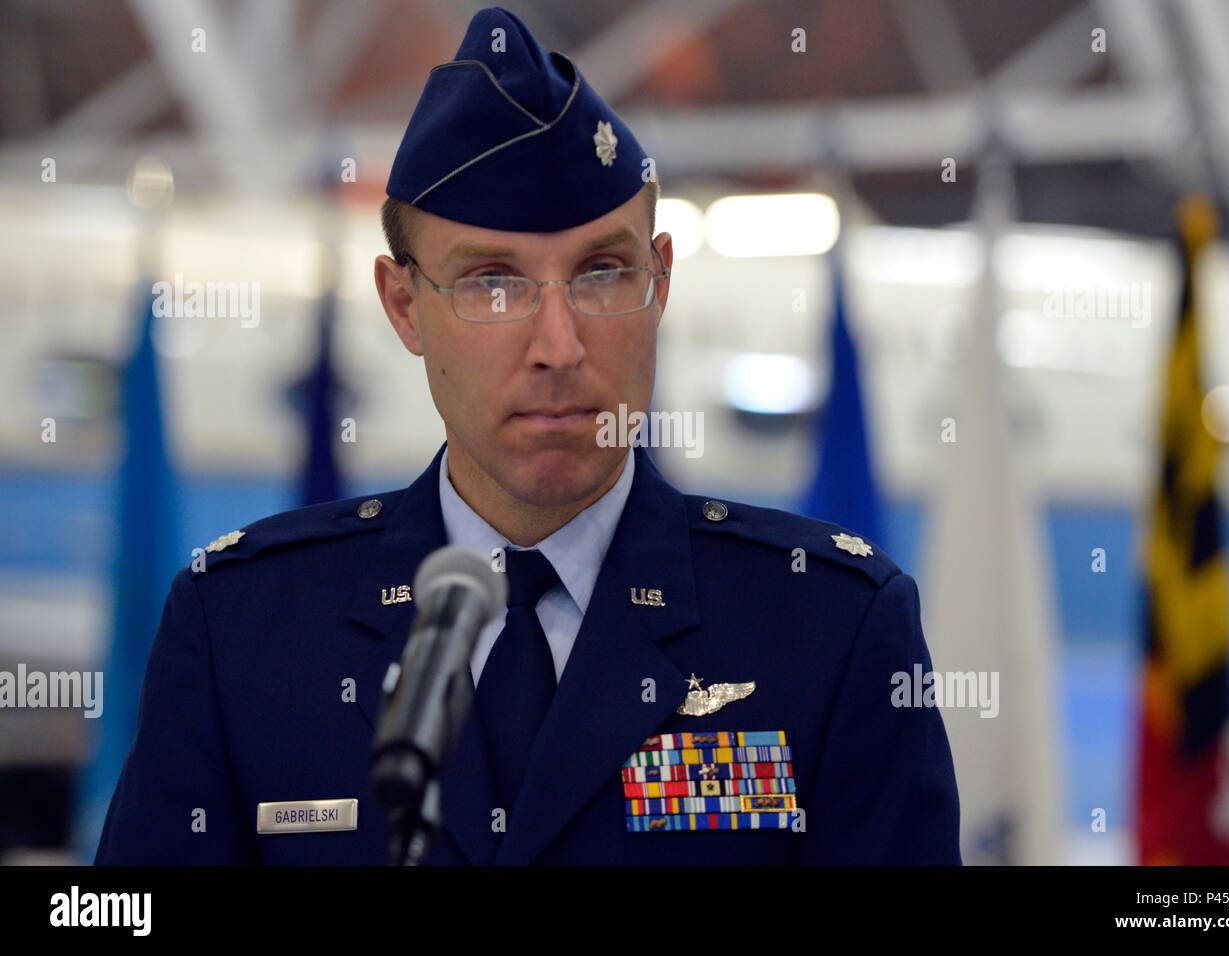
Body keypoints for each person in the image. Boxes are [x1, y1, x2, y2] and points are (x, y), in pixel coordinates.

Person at [95, 5, 959, 865]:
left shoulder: (828, 631)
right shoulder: (247, 631)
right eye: (493, 283)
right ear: (405, 306)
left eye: (602, 272)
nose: (558, 347)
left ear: (660, 284)